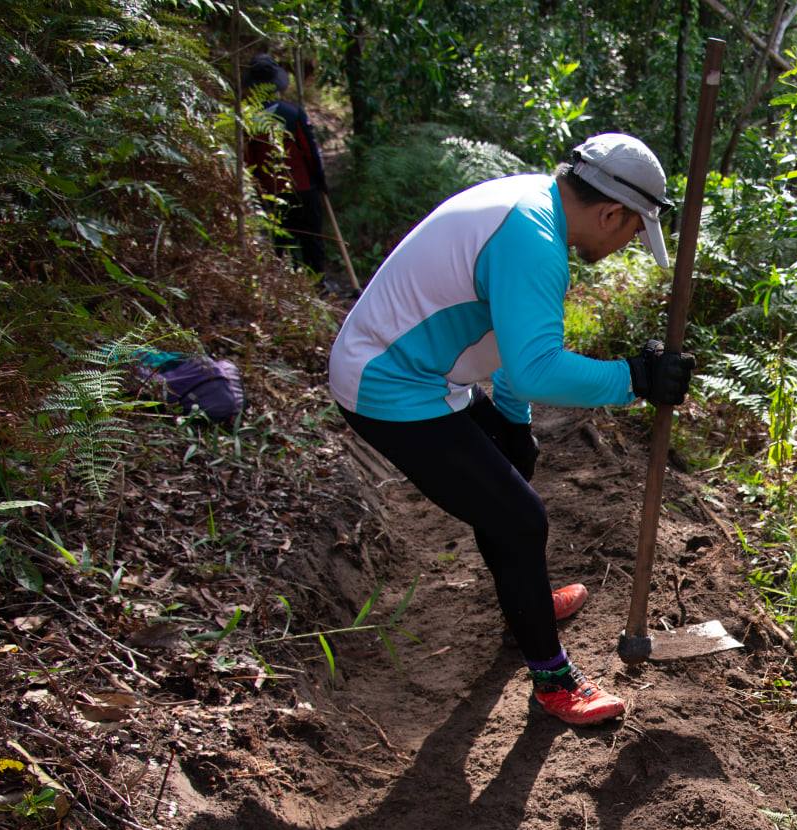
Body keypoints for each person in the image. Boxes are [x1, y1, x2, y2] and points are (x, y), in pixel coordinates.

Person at [327, 133, 694, 726]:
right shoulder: (533, 239)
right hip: (388, 385)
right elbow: (536, 365)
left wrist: (513, 422)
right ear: (610, 213)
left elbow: (508, 339)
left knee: (511, 474)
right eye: (632, 232)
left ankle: (527, 607)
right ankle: (553, 682)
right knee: (520, 516)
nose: (628, 244)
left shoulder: (532, 206)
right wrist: (634, 380)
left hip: (424, 373)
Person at [242, 53, 329, 274]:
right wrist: (319, 180)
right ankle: (317, 283)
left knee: (281, 241)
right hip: (303, 187)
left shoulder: (247, 117)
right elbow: (309, 151)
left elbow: (248, 161)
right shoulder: (292, 114)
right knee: (311, 239)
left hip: (271, 191)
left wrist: (257, 189)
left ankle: (287, 286)